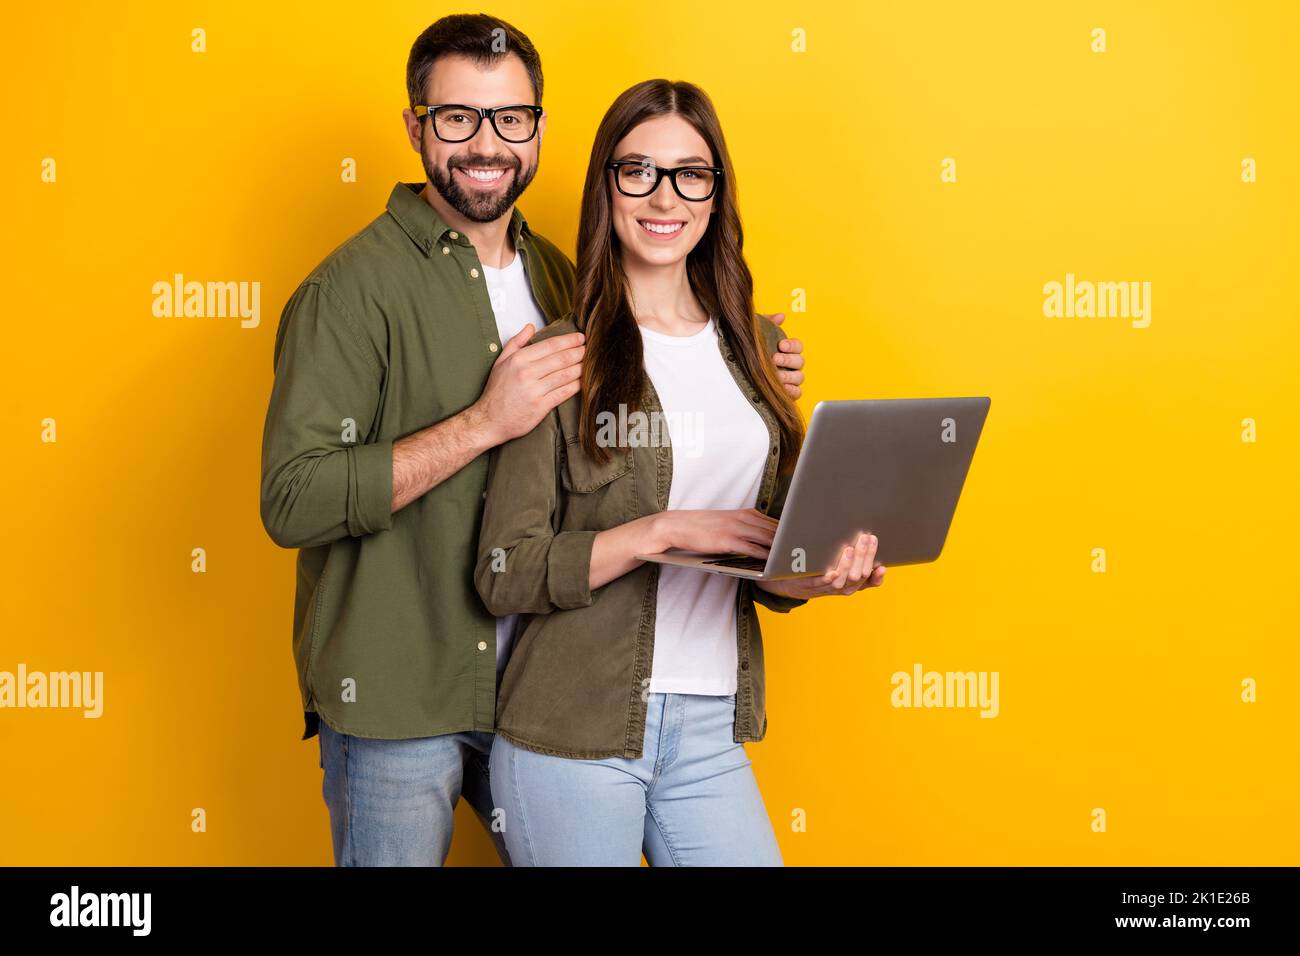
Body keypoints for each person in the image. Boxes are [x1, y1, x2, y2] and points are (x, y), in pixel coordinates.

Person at [258, 15, 806, 866]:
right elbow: (292, 500)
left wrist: (749, 368)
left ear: (540, 129)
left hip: (555, 685)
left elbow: (658, 382)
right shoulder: (349, 291)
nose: (486, 144)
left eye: (510, 118)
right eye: (457, 118)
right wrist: (484, 422)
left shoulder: (562, 275)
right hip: (409, 691)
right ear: (414, 126)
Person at [475, 78, 883, 867]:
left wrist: (816, 575)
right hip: (574, 731)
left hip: (708, 728)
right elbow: (505, 572)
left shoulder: (757, 354)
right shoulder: (558, 360)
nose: (665, 197)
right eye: (638, 171)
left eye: (690, 173)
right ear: (606, 186)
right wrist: (656, 532)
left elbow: (755, 562)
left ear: (716, 190)